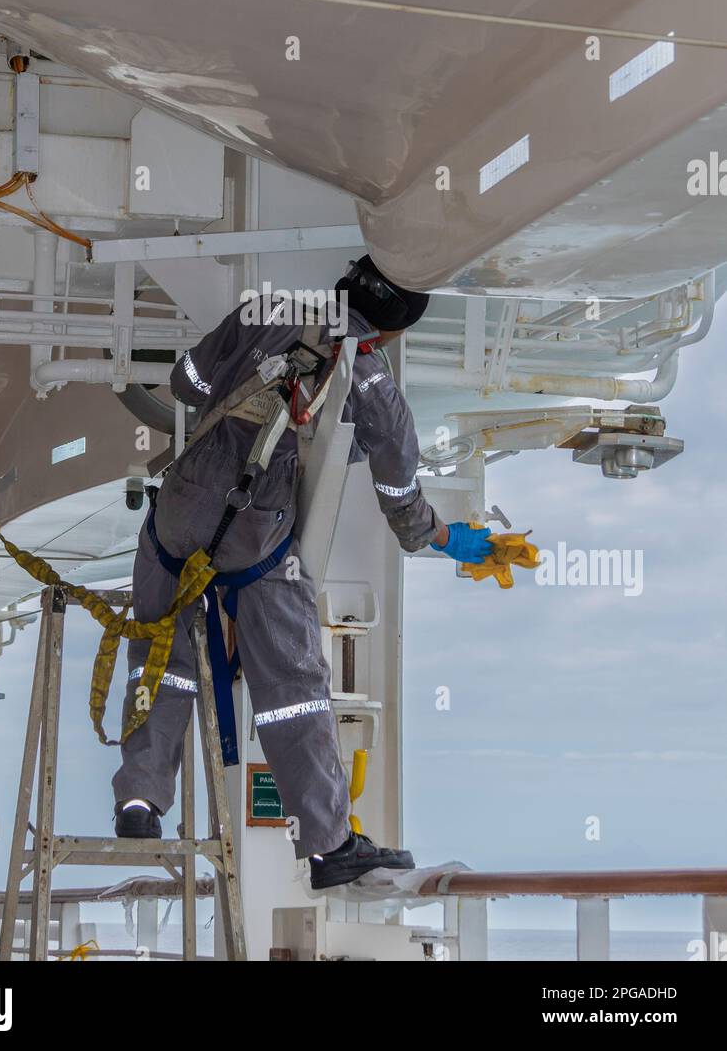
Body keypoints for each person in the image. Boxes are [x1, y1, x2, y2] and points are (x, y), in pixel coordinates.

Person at [112, 255, 492, 889]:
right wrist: (444, 536)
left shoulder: (265, 312)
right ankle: (327, 845)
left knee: (162, 661)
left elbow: (185, 383)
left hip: (173, 525)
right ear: (393, 328)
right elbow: (399, 495)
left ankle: (140, 805)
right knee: (294, 690)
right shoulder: (369, 376)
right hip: (253, 543)